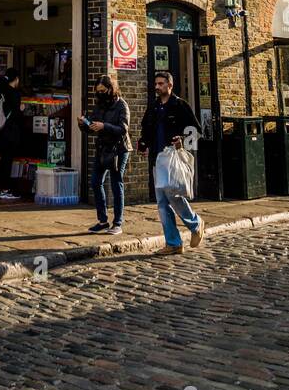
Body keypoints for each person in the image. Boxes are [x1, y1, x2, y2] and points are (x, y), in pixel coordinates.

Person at [138, 70, 205, 253]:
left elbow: (196, 130)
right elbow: (146, 128)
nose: (157, 87)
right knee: (161, 202)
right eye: (156, 84)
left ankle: (195, 223)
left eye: (161, 84)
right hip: (157, 159)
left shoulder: (180, 105)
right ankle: (173, 243)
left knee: (174, 196)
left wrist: (183, 141)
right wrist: (143, 144)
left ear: (170, 85)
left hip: (172, 159)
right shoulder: (153, 107)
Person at [79, 74, 131, 235]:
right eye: (98, 91)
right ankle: (102, 221)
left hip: (119, 149)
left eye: (103, 90)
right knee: (95, 182)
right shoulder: (99, 105)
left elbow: (123, 129)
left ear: (111, 89)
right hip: (103, 148)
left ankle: (117, 223)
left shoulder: (122, 105)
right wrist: (84, 124)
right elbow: (94, 125)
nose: (100, 93)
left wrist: (104, 126)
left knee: (116, 184)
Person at [0, 67, 21, 201]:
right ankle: (5, 189)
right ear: (16, 79)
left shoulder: (0, 91)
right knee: (7, 161)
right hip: (10, 132)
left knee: (1, 160)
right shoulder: (14, 94)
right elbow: (16, 114)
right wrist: (21, 109)